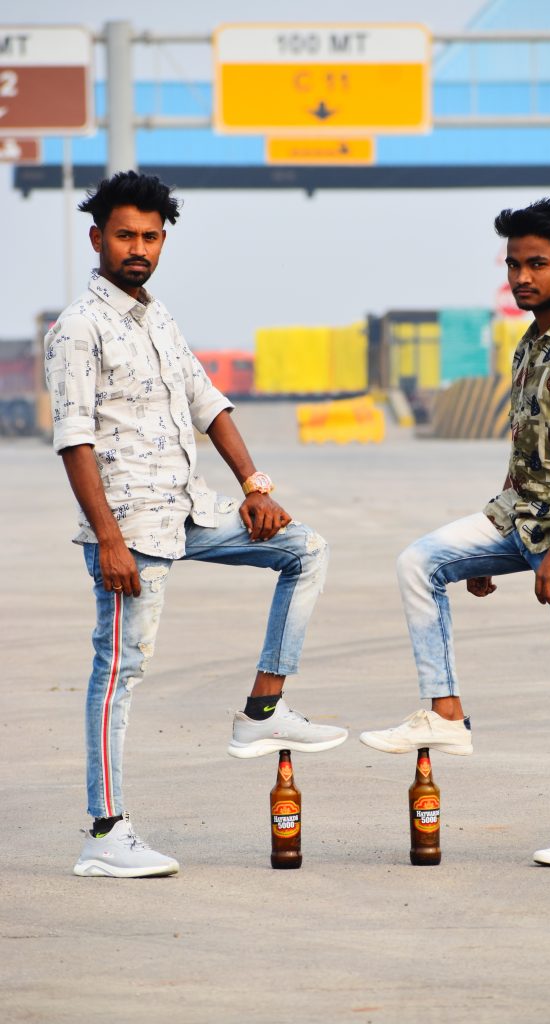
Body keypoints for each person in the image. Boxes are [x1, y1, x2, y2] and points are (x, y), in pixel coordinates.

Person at [45, 171, 347, 878]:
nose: (138, 248)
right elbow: (74, 441)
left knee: (304, 548)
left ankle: (264, 710)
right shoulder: (77, 330)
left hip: (189, 513)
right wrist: (110, 541)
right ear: (98, 239)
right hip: (130, 536)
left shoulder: (160, 319)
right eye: (125, 235)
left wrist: (255, 485)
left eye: (150, 237)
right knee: (119, 672)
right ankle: (105, 832)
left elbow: (210, 405)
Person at [361, 198, 550, 867]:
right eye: (514, 264)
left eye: (536, 263)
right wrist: (491, 540)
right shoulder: (530, 346)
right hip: (520, 523)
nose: (522, 275)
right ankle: (445, 712)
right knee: (420, 562)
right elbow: (528, 455)